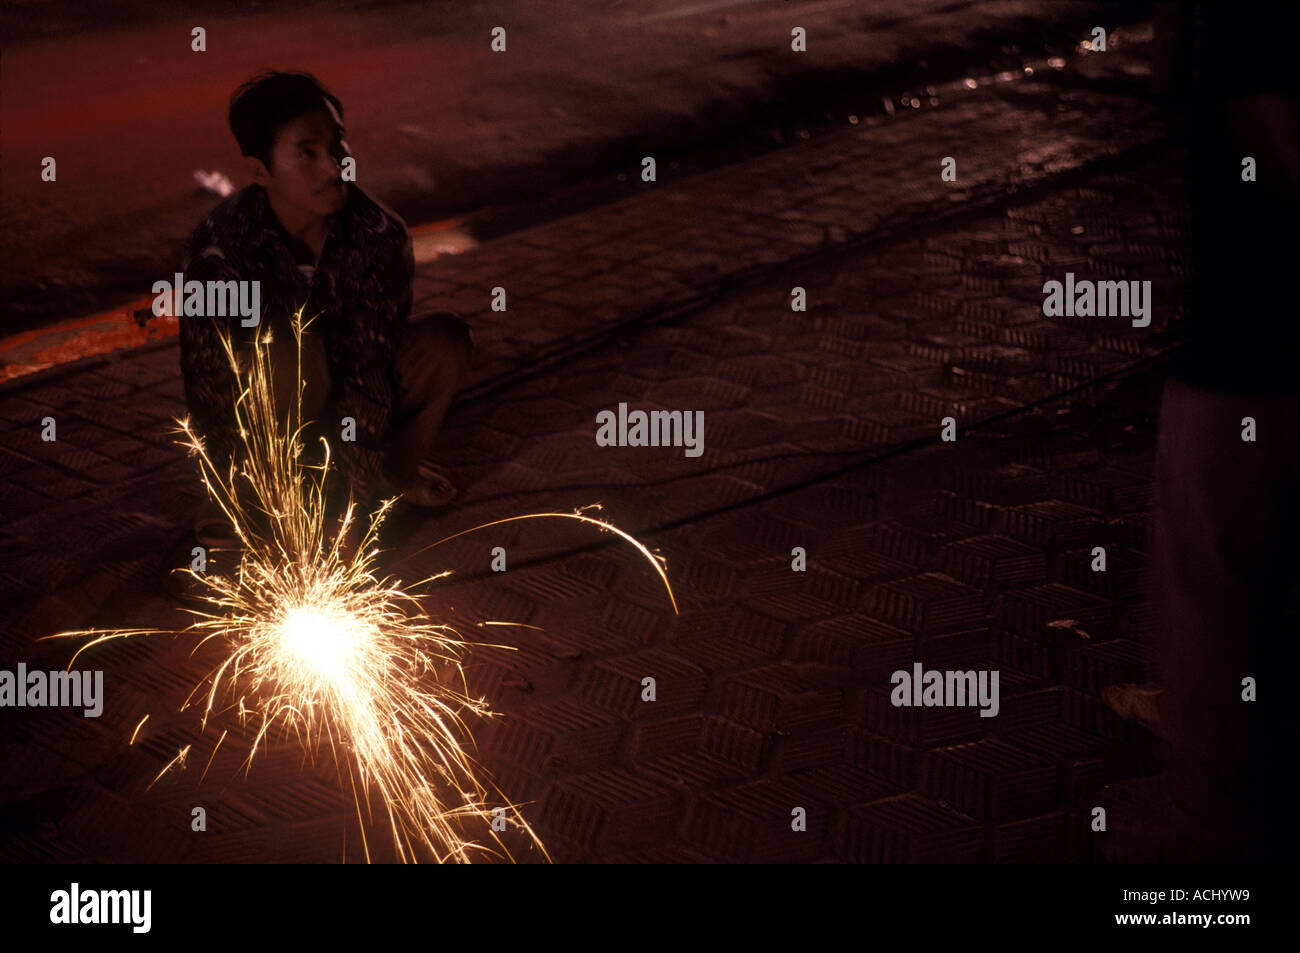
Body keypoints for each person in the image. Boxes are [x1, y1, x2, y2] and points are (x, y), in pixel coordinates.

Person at [1103, 4, 1299, 862]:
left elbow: (1279, 135)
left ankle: (1212, 806)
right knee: (1220, 552)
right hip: (1244, 314)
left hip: (1255, 329)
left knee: (1212, 562)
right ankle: (1200, 708)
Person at [177, 71, 472, 555]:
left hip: (350, 398)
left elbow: (370, 372)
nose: (335, 166)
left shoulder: (379, 235)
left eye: (339, 144)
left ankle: (388, 479)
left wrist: (351, 505)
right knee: (289, 349)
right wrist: (245, 493)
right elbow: (209, 384)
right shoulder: (219, 248)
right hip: (275, 410)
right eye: (307, 153)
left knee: (444, 345)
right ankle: (247, 502)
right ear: (260, 171)